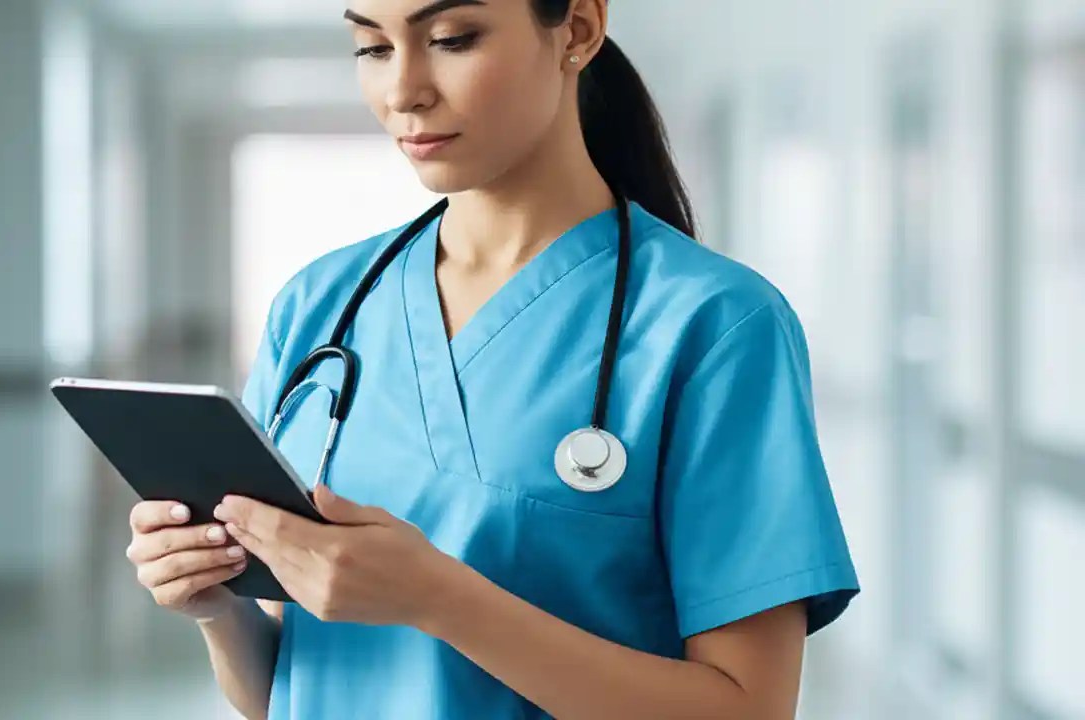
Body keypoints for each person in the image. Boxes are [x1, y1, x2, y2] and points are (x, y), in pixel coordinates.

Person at [124, 0, 860, 718]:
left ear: (577, 29)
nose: (403, 91)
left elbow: (749, 707)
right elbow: (288, 690)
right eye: (373, 48)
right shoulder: (319, 305)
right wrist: (217, 610)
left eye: (452, 38)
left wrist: (439, 599)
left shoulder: (714, 324)